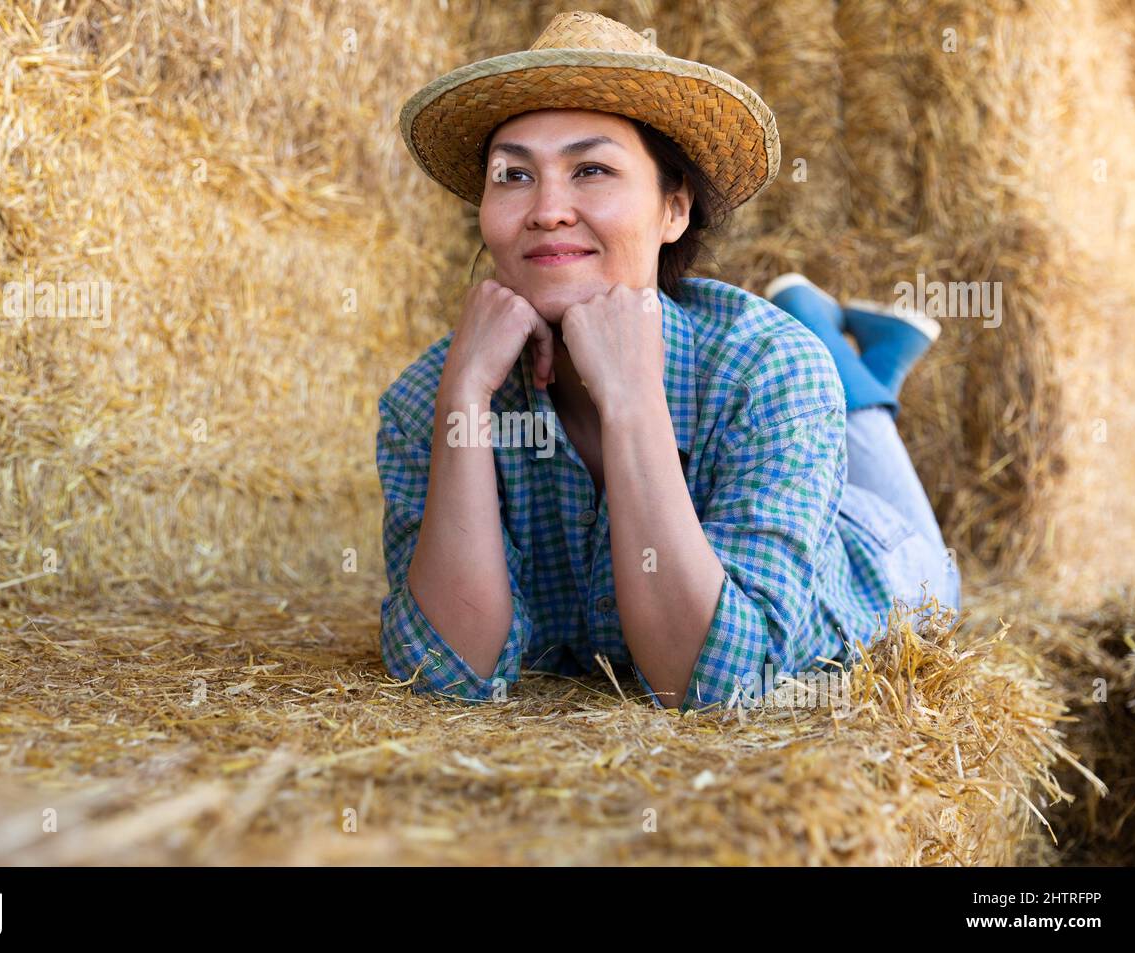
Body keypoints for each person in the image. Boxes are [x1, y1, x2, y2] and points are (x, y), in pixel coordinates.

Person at [377, 11, 960, 712]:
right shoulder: (425, 400)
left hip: (881, 560)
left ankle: (849, 363)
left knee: (915, 536)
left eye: (591, 169)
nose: (548, 209)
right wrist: (465, 399)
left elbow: (711, 683)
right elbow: (445, 672)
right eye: (513, 175)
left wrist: (631, 400)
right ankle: (858, 348)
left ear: (674, 210)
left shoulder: (768, 368)